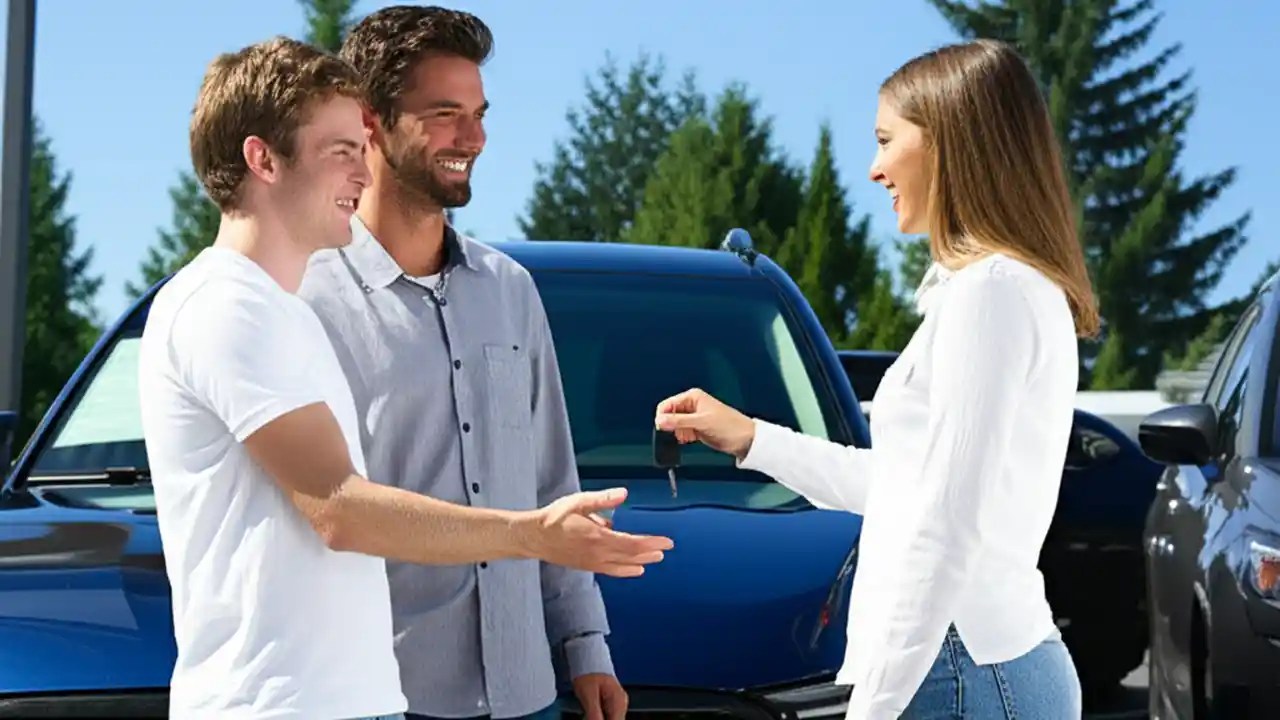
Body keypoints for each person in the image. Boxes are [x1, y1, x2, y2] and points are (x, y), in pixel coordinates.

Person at [138, 36, 671, 720]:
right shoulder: (228, 308)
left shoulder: (280, 311)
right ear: (261, 158)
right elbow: (339, 506)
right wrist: (530, 533)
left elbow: (541, 471)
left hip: (360, 701)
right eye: (341, 151)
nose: (360, 173)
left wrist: (578, 631)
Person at [654, 39, 1099, 720]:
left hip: (959, 673)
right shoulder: (992, 290)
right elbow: (906, 492)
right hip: (966, 669)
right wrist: (749, 438)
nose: (874, 168)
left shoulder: (992, 293)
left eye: (887, 140)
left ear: (949, 142)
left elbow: (945, 523)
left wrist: (873, 710)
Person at [295, 7, 630, 720]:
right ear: (371, 123)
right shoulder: (307, 299)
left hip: (525, 695)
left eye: (478, 113)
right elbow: (317, 508)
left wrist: (586, 645)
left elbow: (551, 481)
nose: (473, 138)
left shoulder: (512, 292)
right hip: (379, 697)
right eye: (445, 114)